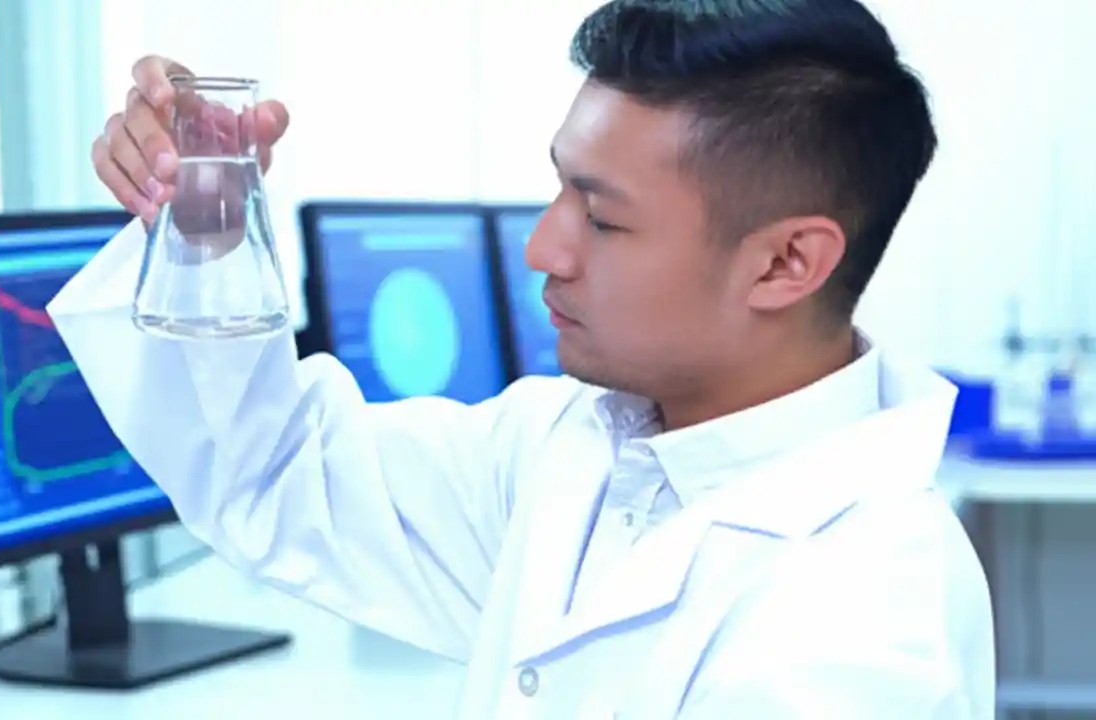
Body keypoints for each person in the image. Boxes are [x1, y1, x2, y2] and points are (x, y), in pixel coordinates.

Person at [49, 0, 995, 717]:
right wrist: (207, 222)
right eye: (560, 188)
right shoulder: (576, 447)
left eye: (604, 215)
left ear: (789, 262)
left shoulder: (867, 614)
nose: (544, 247)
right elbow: (279, 478)